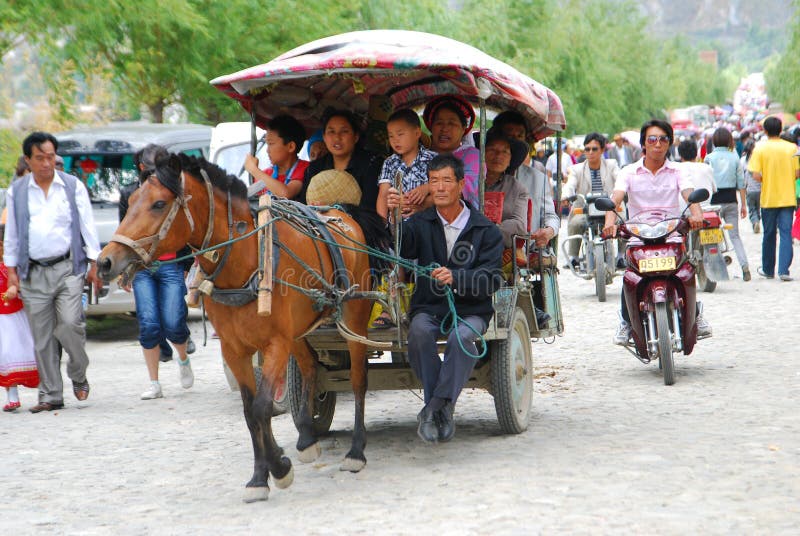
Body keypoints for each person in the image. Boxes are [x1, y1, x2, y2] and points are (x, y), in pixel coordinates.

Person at [386, 154, 503, 444]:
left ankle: (436, 407)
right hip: (428, 307)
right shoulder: (420, 223)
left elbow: (492, 280)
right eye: (434, 181)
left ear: (461, 185)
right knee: (419, 332)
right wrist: (395, 219)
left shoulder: (485, 230)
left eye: (446, 181)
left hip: (472, 309)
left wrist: (456, 277)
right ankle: (442, 408)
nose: (439, 187)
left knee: (462, 338)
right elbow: (401, 247)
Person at [3, 131, 101, 412]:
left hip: (68, 268)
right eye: (40, 158)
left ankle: (78, 373)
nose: (46, 163)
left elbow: (87, 226)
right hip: (33, 272)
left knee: (70, 324)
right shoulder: (17, 191)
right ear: (28, 160)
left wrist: (94, 263)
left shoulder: (72, 187)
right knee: (42, 337)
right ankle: (50, 394)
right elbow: (12, 235)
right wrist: (12, 273)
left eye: (50, 157)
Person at [603, 120, 710, 345]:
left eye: (663, 139)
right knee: (630, 274)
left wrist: (697, 215)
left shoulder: (679, 170)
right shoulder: (628, 172)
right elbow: (616, 199)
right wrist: (610, 223)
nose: (657, 144)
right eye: (652, 139)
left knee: (685, 269)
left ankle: (695, 315)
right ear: (643, 144)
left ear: (669, 144)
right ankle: (625, 320)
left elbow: (689, 194)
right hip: (638, 236)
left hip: (671, 233)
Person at [122, 145, 195, 400]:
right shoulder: (130, 195)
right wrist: (126, 270)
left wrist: (187, 266)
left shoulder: (173, 192)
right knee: (149, 324)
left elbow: (186, 230)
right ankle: (154, 382)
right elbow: (125, 233)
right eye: (152, 166)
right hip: (142, 267)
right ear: (141, 167)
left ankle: (183, 358)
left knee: (174, 322)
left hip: (171, 264)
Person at [748, 116, 800, 281]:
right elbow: (797, 173)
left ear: (765, 130)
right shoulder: (792, 148)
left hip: (769, 198)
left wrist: (768, 179)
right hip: (788, 197)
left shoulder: (760, 148)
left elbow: (755, 175)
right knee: (785, 234)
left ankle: (768, 269)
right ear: (781, 129)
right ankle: (784, 270)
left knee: (769, 234)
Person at [299, 109, 382, 210]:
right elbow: (303, 207)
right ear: (324, 137)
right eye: (331, 131)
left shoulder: (372, 163)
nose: (337, 138)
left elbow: (371, 210)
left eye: (344, 131)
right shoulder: (314, 168)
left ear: (356, 136)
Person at [561, 132, 621, 268]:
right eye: (587, 149)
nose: (590, 152)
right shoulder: (576, 169)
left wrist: (624, 190)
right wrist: (565, 196)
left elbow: (620, 180)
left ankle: (622, 256)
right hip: (585, 207)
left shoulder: (612, 165)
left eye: (594, 149)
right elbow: (570, 184)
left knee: (623, 221)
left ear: (602, 150)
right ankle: (574, 257)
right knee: (576, 223)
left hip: (610, 206)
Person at [0, 214, 39, 412]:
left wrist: (16, 289)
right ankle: (12, 396)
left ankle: (45, 389)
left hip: (14, 317)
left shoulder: (10, 268)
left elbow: (23, 285)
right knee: (4, 356)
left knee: (18, 351)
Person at [704, 128, 750, 281]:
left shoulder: (709, 158)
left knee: (713, 237)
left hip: (714, 204)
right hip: (731, 200)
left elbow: (705, 183)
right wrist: (743, 205)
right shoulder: (735, 157)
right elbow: (741, 183)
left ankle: (717, 269)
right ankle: (745, 267)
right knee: (735, 236)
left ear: (715, 141)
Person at [375, 108, 437, 221]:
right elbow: (383, 195)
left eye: (400, 134)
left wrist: (428, 187)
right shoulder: (389, 162)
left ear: (417, 133)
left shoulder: (433, 159)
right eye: (391, 136)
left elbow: (447, 191)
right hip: (398, 227)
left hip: (428, 225)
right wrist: (381, 227)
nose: (395, 140)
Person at [423, 95, 481, 209]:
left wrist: (423, 204)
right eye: (439, 123)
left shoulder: (472, 155)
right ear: (431, 127)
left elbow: (460, 190)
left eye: (451, 123)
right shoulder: (421, 155)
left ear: (463, 128)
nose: (444, 129)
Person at [244, 114, 309, 199]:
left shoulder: (305, 169)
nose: (267, 150)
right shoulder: (266, 174)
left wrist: (254, 170)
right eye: (267, 144)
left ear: (291, 147)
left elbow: (286, 193)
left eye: (271, 144)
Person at [741, 140, 761, 233]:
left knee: (752, 208)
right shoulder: (759, 159)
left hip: (750, 189)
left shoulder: (743, 160)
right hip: (760, 189)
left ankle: (755, 221)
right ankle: (757, 220)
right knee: (758, 208)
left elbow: (742, 178)